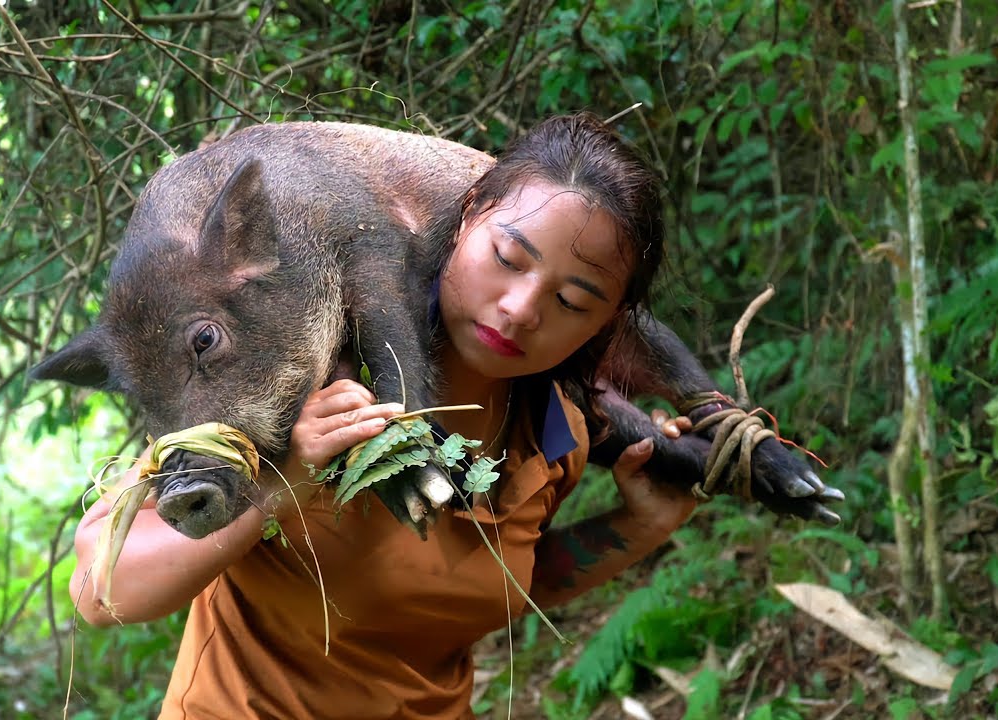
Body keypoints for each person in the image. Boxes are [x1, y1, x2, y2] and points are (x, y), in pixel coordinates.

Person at [71, 113, 704, 719]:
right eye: (508, 259)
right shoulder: (299, 384)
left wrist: (636, 527)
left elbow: (498, 592)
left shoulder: (552, 430)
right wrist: (280, 481)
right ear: (465, 218)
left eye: (570, 299)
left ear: (606, 329)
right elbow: (102, 593)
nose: (519, 309)